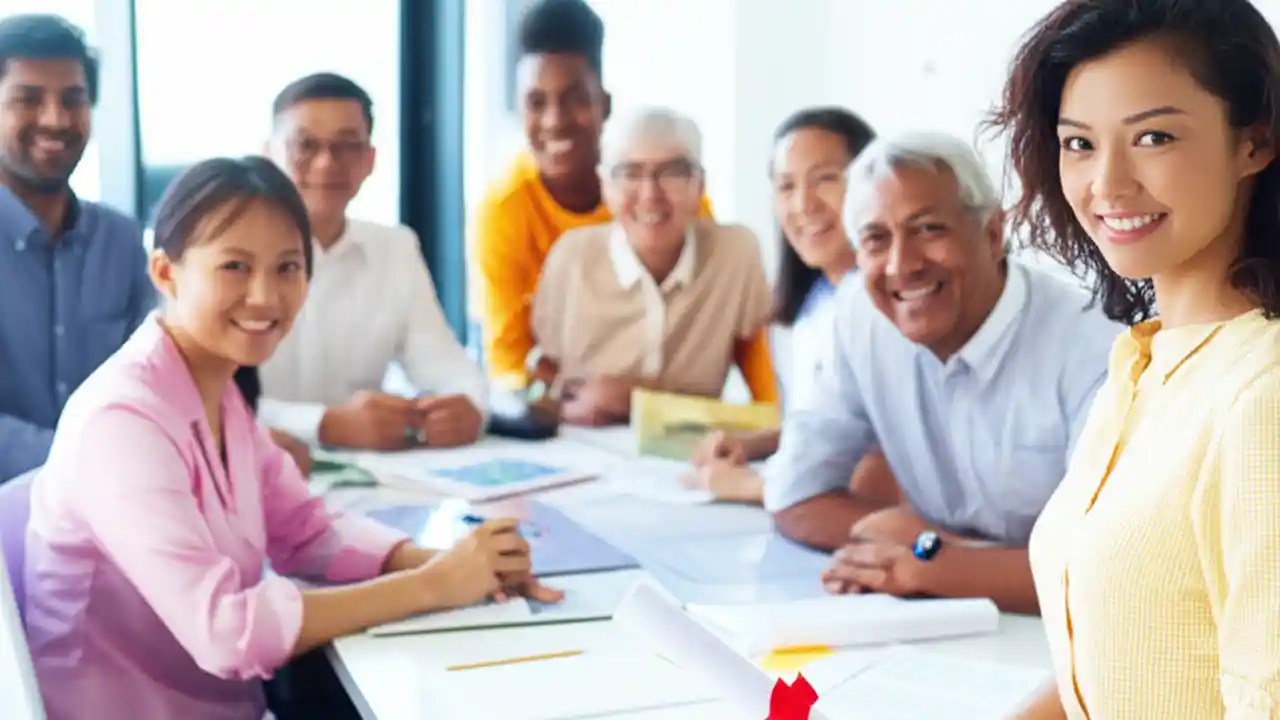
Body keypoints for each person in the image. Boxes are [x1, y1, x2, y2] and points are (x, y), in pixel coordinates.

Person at [23, 157, 560, 719]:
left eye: (287, 267)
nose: (266, 296)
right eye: (235, 266)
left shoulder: (218, 391)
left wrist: (459, 565)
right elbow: (226, 633)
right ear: (165, 272)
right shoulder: (123, 421)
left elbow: (307, 533)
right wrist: (432, 585)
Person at [987, 1, 1280, 717]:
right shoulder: (1140, 364)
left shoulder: (1261, 395)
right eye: (1079, 143)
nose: (1107, 185)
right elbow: (1113, 664)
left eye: (1153, 137)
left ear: (1256, 141)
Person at [765, 132, 1120, 613]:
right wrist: (937, 545)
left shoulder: (1095, 346)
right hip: (941, 626)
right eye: (875, 240)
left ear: (993, 234)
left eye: (928, 229)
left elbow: (1106, 572)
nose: (901, 265)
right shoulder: (859, 317)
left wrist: (929, 563)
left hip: (1072, 642)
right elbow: (793, 497)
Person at [472, 0, 712, 391]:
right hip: (567, 417)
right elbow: (510, 367)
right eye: (536, 103)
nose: (554, 121)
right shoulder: (505, 211)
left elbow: (707, 328)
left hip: (669, 404)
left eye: (575, 99)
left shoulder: (668, 193)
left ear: (605, 105)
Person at [260, 73, 487, 451]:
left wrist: (469, 408)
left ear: (369, 160)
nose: (325, 163)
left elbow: (449, 369)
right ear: (269, 154)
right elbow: (205, 398)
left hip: (373, 475)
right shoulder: (231, 257)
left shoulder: (396, 248)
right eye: (305, 145)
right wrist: (325, 424)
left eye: (346, 147)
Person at [687, 107, 900, 505]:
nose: (804, 203)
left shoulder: (895, 309)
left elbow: (882, 469)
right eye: (786, 186)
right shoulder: (815, 303)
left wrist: (748, 486)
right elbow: (835, 428)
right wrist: (754, 445)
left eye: (825, 179)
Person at [530, 107, 777, 426]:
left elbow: (772, 412)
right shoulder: (571, 257)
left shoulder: (736, 254)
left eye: (672, 172)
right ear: (606, 187)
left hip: (691, 456)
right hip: (581, 449)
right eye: (630, 173)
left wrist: (634, 400)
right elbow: (540, 379)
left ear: (699, 185)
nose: (650, 194)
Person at [0, 15, 152, 482]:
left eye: (73, 99)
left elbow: (158, 383)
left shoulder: (121, 241)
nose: (56, 119)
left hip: (119, 509)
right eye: (28, 100)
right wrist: (95, 460)